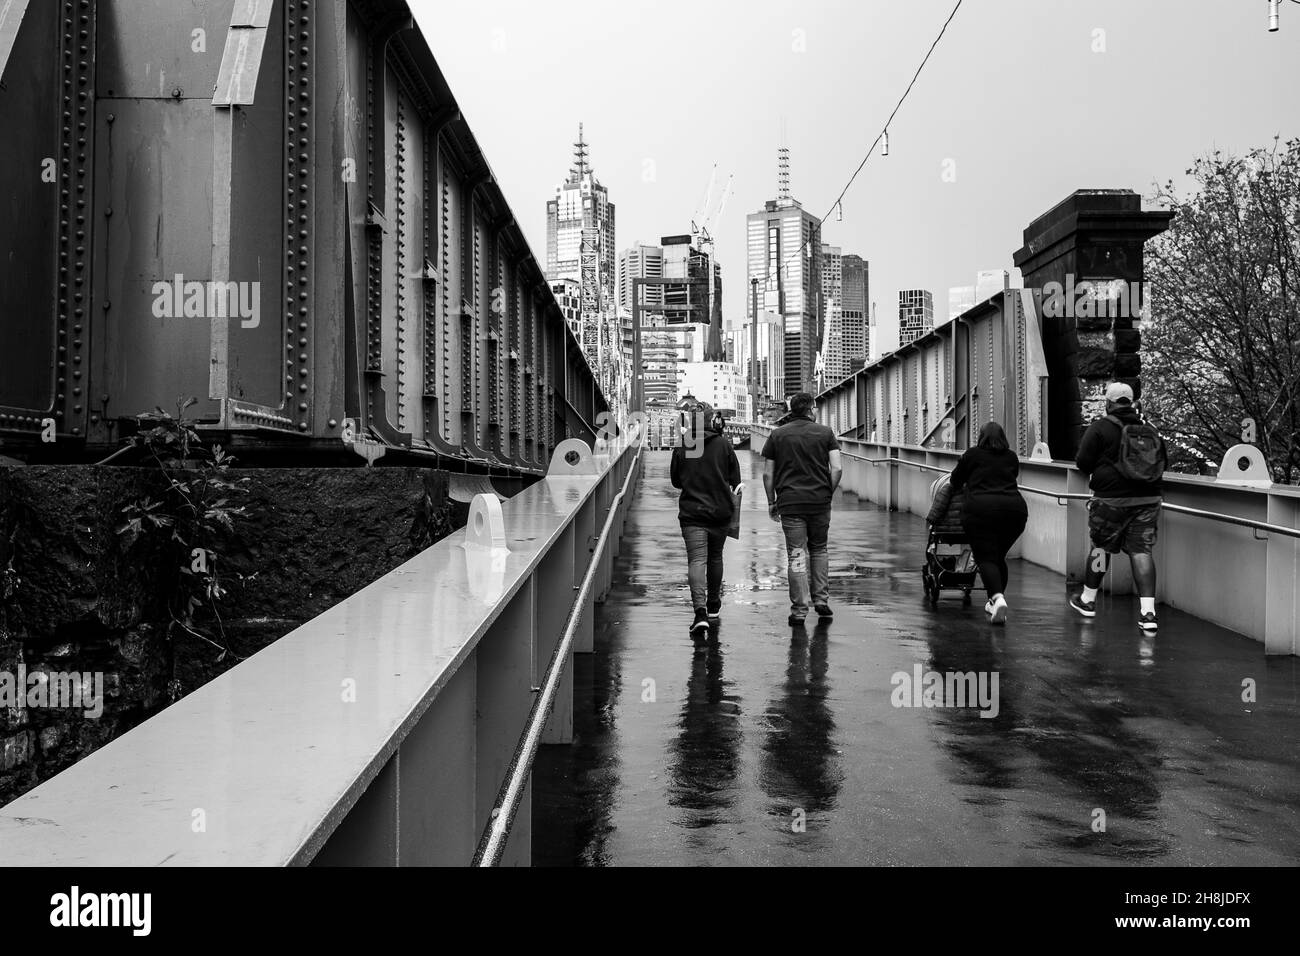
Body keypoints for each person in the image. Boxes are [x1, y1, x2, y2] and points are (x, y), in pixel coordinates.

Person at [1069, 382, 1166, 632]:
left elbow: (1083, 463)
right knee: (1142, 551)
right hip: (1148, 501)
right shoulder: (1149, 428)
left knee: (1101, 548)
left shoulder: (1100, 427)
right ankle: (1148, 614)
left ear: (1109, 404)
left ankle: (1088, 600)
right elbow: (1163, 461)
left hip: (1111, 500)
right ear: (1132, 402)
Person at [934, 421, 1028, 624]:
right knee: (998, 557)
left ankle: (997, 598)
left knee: (985, 557)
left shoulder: (972, 454)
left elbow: (955, 480)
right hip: (1015, 512)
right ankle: (994, 601)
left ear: (981, 437)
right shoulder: (1011, 456)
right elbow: (1012, 476)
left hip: (981, 511)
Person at [762, 392, 842, 627]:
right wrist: (827, 492)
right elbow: (836, 469)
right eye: (815, 407)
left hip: (790, 502)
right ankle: (821, 600)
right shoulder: (825, 433)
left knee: (796, 553)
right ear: (810, 409)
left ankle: (799, 610)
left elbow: (768, 474)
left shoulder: (777, 435)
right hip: (819, 501)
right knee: (819, 549)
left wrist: (771, 501)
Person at [670, 400, 742, 635]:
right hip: (720, 512)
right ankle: (713, 606)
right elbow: (736, 482)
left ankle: (699, 613)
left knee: (696, 561)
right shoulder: (724, 445)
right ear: (713, 420)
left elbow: (676, 481)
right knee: (715, 558)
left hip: (692, 513)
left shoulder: (685, 445)